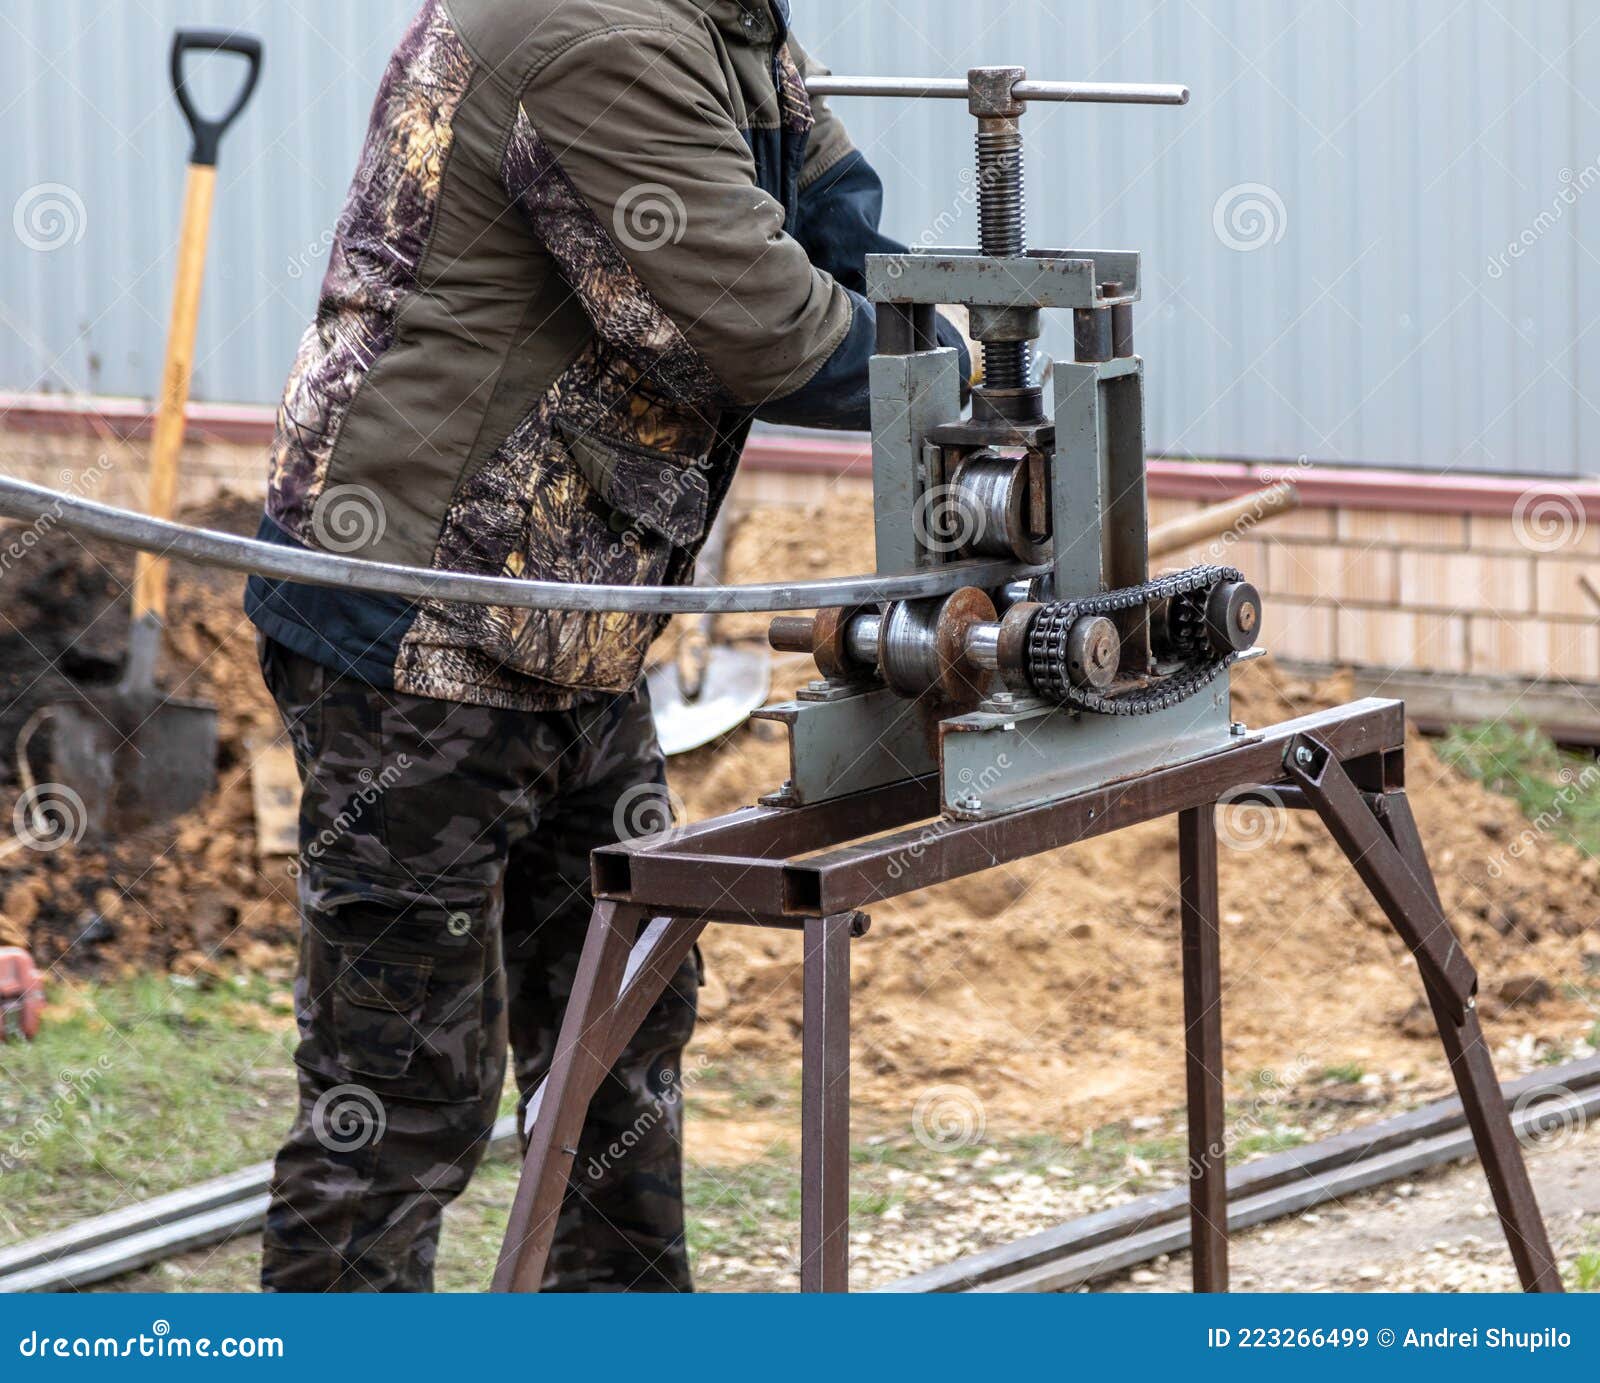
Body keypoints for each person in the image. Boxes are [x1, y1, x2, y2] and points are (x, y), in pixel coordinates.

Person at [246, 0, 969, 1293]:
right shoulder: (595, 35)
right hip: (421, 621)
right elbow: (762, 326)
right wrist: (950, 382)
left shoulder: (723, 20)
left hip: (565, 620)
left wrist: (928, 314)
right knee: (405, 1086)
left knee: (624, 1027)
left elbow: (830, 200)